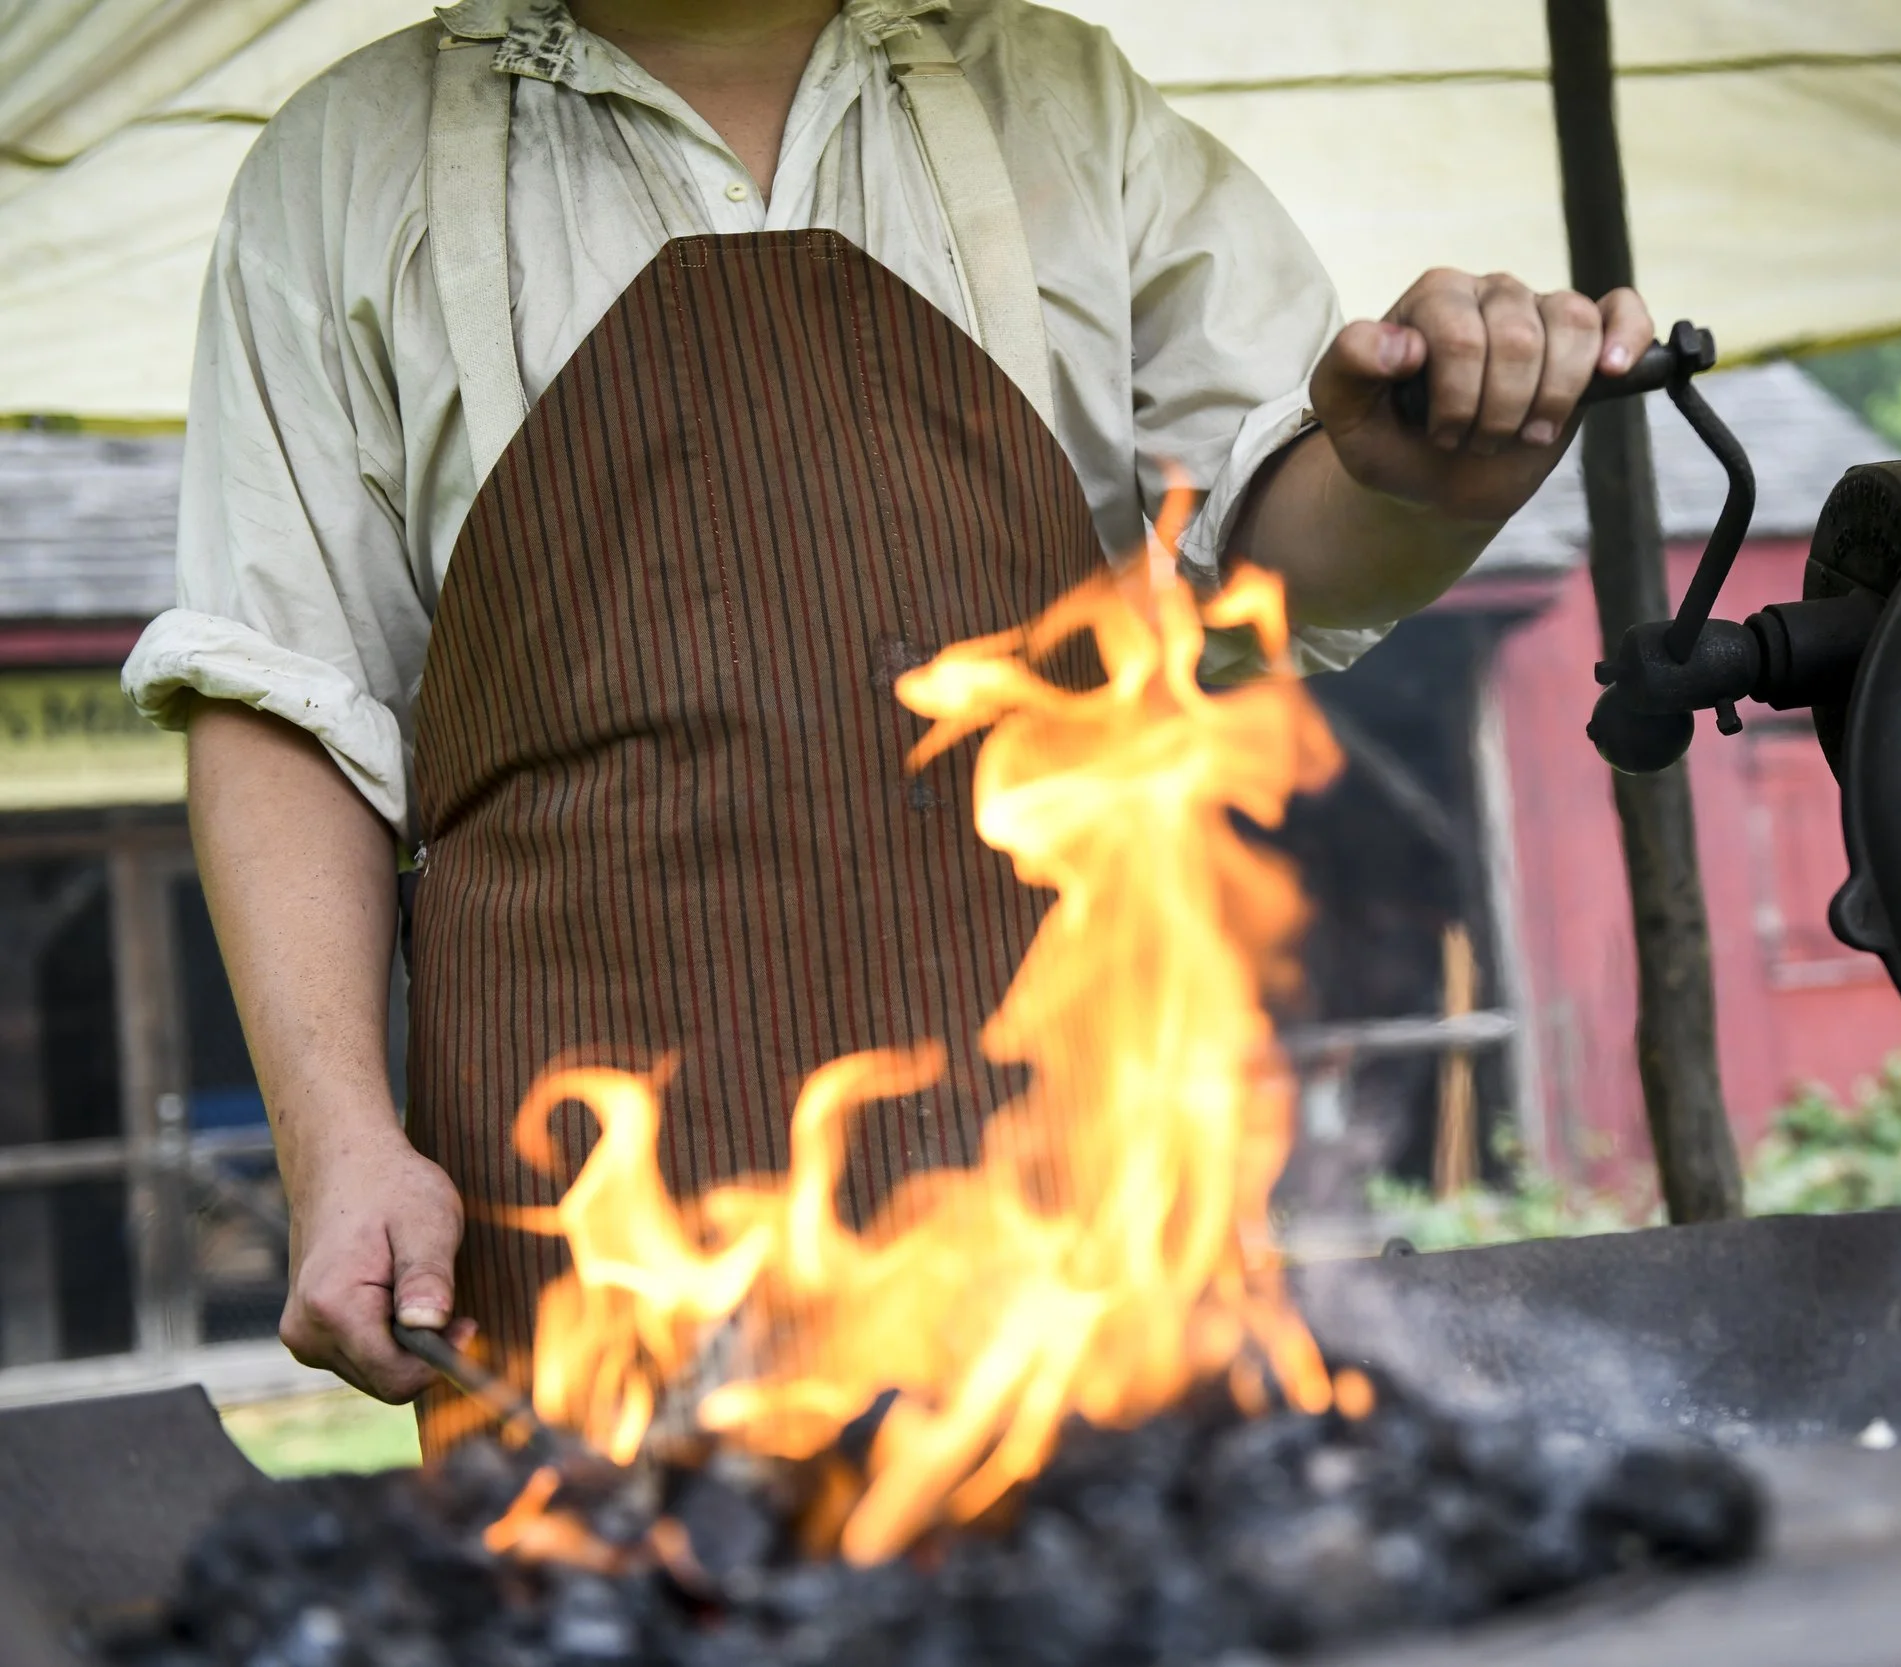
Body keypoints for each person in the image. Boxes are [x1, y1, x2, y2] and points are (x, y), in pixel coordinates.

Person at [124, 0, 1657, 1425]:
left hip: (1062, 1161)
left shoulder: (1062, 102)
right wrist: (338, 1140)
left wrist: (1413, 480)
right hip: (581, 1216)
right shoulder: (345, 166)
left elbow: (1270, 560)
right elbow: (286, 697)